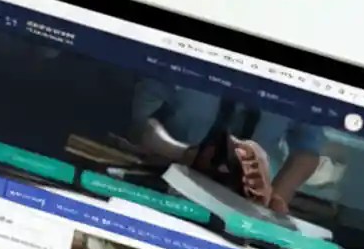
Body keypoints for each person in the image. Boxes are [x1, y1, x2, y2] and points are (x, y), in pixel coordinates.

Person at [131, 80, 323, 214]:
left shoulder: (300, 84)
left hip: (243, 207)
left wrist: (273, 201)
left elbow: (307, 149)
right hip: (162, 183)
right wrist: (183, 154)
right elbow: (142, 119)